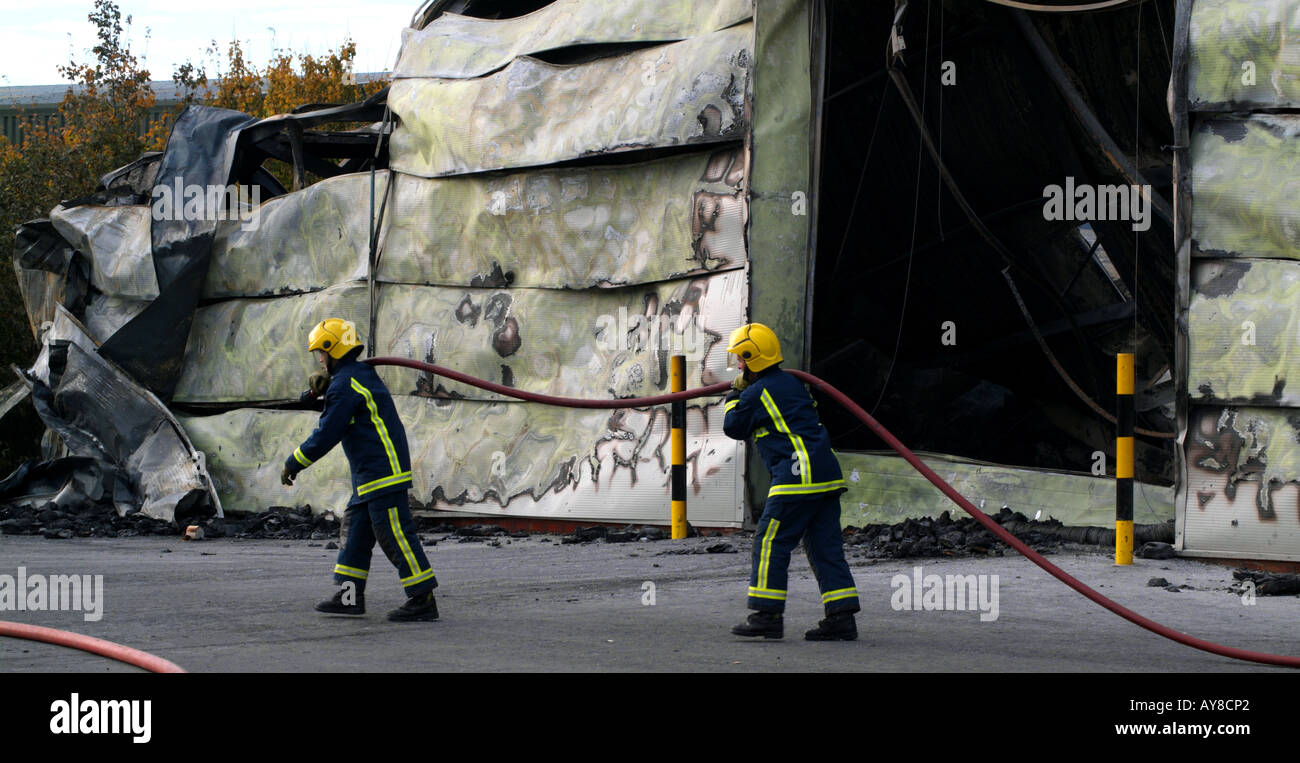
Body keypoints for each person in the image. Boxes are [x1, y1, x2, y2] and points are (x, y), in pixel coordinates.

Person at [280, 318, 440, 622]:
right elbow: (338, 406)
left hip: (383, 473)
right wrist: (313, 395)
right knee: (355, 533)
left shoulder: (345, 384)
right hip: (369, 476)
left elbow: (327, 432)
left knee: (395, 536)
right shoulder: (355, 377)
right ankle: (350, 598)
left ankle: (423, 599)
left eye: (321, 354)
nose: (320, 361)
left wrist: (293, 463)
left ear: (333, 350)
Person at [722, 323, 860, 640]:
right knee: (825, 547)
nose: (737, 365)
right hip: (825, 475)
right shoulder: (792, 384)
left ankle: (767, 615)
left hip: (797, 477)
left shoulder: (757, 392)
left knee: (771, 541)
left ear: (751, 358)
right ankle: (842, 617)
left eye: (740, 360)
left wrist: (734, 393)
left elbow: (733, 426)